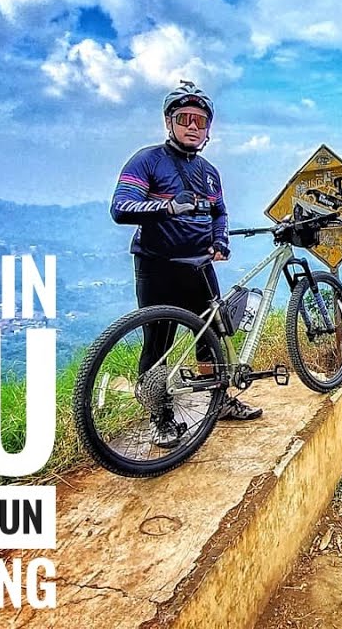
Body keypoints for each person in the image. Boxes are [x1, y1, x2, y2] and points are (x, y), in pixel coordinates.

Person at [110, 80, 263, 446]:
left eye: (200, 121)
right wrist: (166, 206)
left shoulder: (210, 171)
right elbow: (121, 207)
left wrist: (220, 241)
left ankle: (219, 400)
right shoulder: (147, 160)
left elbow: (219, 212)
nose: (193, 127)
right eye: (185, 119)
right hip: (158, 266)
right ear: (169, 122)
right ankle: (160, 418)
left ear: (208, 128)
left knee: (211, 336)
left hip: (200, 267)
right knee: (158, 343)